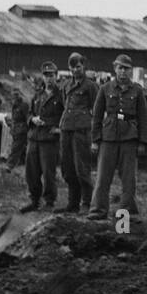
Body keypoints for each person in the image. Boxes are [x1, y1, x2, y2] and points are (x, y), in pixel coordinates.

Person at [88, 55, 147, 221]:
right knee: (102, 177)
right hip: (108, 137)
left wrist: (142, 141)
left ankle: (125, 215)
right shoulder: (105, 88)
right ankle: (98, 211)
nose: (123, 72)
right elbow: (97, 115)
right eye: (120, 68)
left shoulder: (137, 90)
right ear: (114, 69)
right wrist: (95, 139)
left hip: (129, 139)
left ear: (131, 70)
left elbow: (144, 117)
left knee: (128, 180)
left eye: (126, 68)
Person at [58, 53, 99, 212]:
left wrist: (96, 135)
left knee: (82, 168)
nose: (75, 70)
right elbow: (65, 105)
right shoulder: (67, 85)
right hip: (66, 128)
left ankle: (87, 203)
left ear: (84, 67)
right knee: (67, 169)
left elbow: (97, 110)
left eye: (78, 67)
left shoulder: (91, 86)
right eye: (72, 67)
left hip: (82, 131)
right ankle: (72, 203)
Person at [21, 62, 64, 212]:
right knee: (31, 172)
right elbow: (29, 113)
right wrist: (32, 119)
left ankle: (49, 201)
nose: (48, 79)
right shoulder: (38, 95)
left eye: (51, 75)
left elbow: (65, 116)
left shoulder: (61, 96)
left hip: (49, 139)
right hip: (34, 138)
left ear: (56, 77)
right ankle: (34, 200)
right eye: (46, 76)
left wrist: (55, 126)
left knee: (48, 173)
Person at [5, 89, 29, 170]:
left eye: (16, 95)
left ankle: (10, 165)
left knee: (16, 147)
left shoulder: (23, 105)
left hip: (21, 130)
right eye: (13, 96)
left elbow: (27, 118)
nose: (13, 98)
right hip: (16, 129)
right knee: (21, 147)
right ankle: (22, 162)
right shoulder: (15, 106)